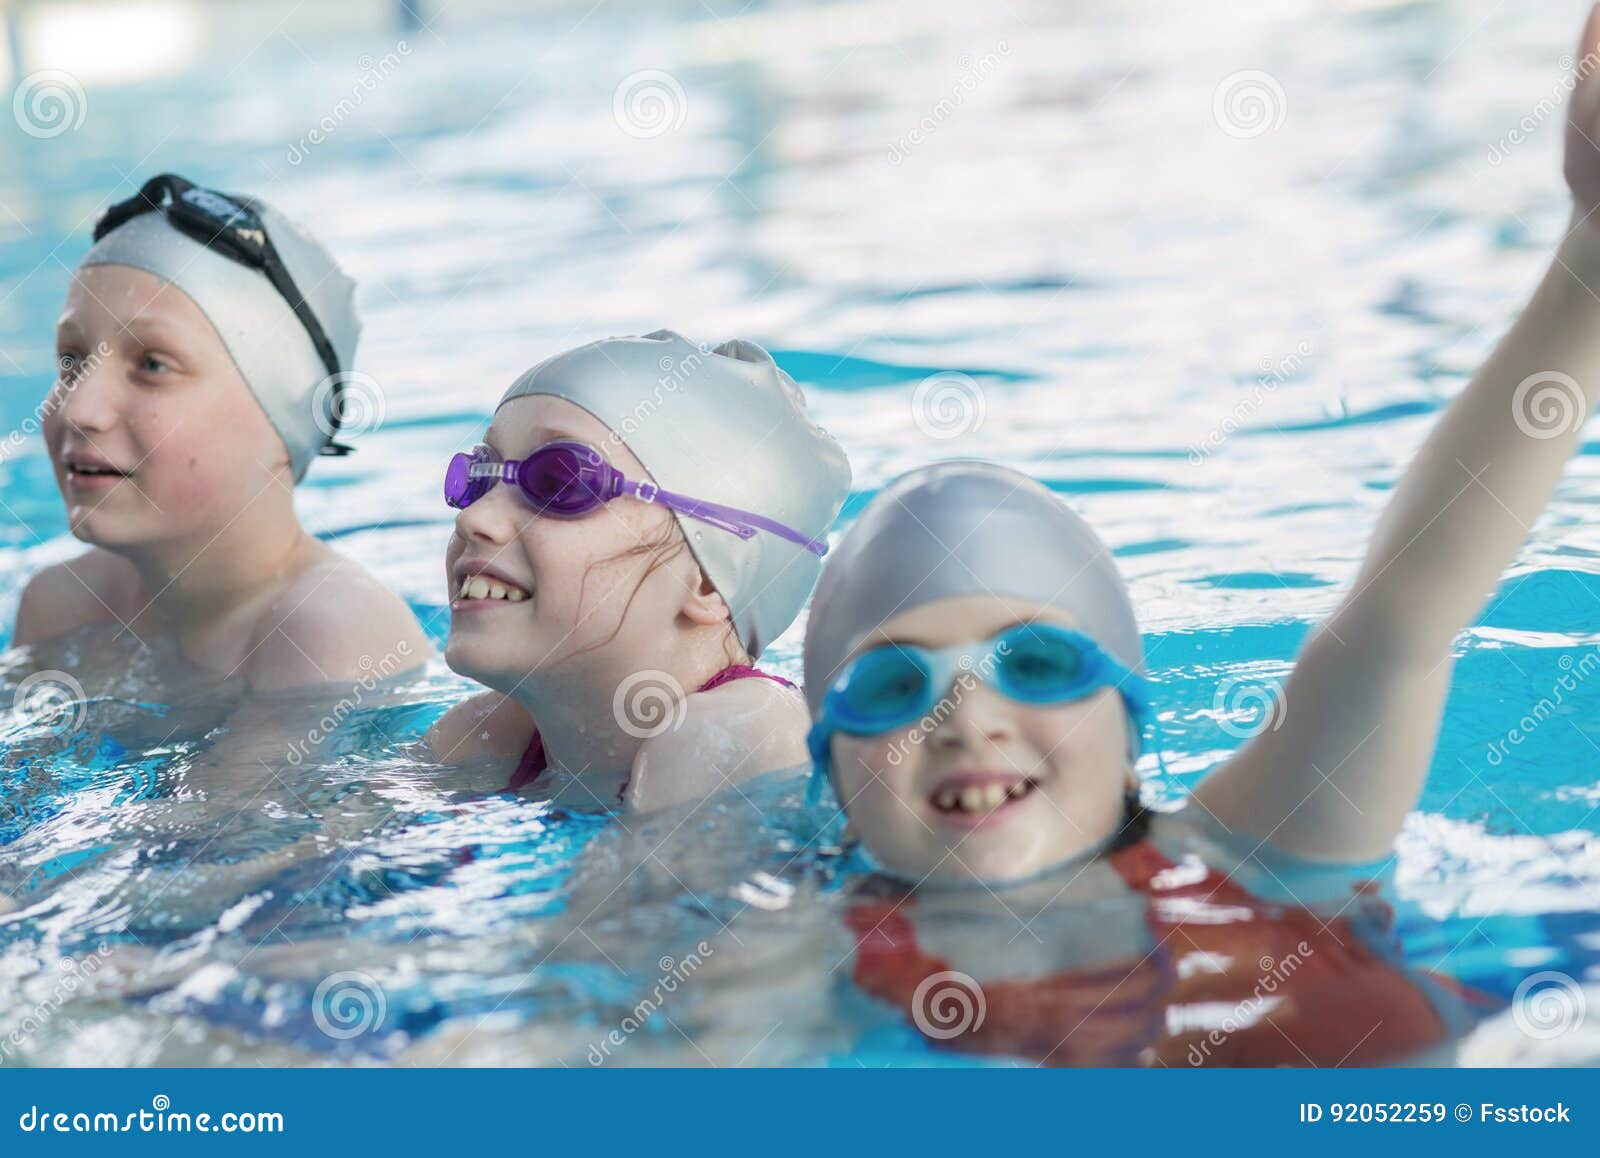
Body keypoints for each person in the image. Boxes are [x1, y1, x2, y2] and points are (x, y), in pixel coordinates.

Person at [800, 3, 1600, 1064]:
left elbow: (1402, 616)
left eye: (1037, 663)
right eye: (893, 685)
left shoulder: (1259, 845)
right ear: (827, 764)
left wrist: (1589, 253)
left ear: (1132, 729)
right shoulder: (792, 963)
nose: (965, 718)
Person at [9, 173, 431, 692]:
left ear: (282, 423)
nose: (78, 408)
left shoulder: (329, 639)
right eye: (72, 360)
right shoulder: (66, 604)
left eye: (153, 365)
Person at [426, 330, 850, 813]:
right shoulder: (489, 737)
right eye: (480, 478)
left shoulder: (734, 735)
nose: (473, 518)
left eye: (560, 481)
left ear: (708, 579)